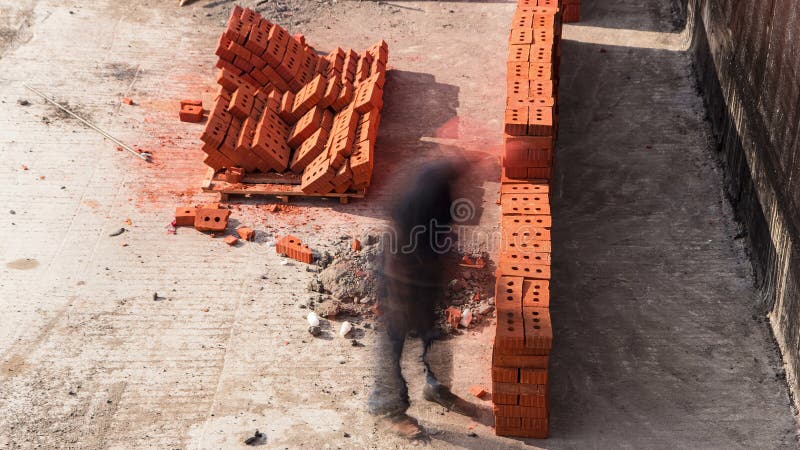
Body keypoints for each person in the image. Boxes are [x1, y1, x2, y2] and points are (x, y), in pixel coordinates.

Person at [367, 159, 475, 439]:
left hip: (425, 274)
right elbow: (400, 248)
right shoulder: (420, 197)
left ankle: (435, 387)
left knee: (433, 334)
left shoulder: (442, 185)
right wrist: (399, 295)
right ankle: (386, 407)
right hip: (401, 277)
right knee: (394, 341)